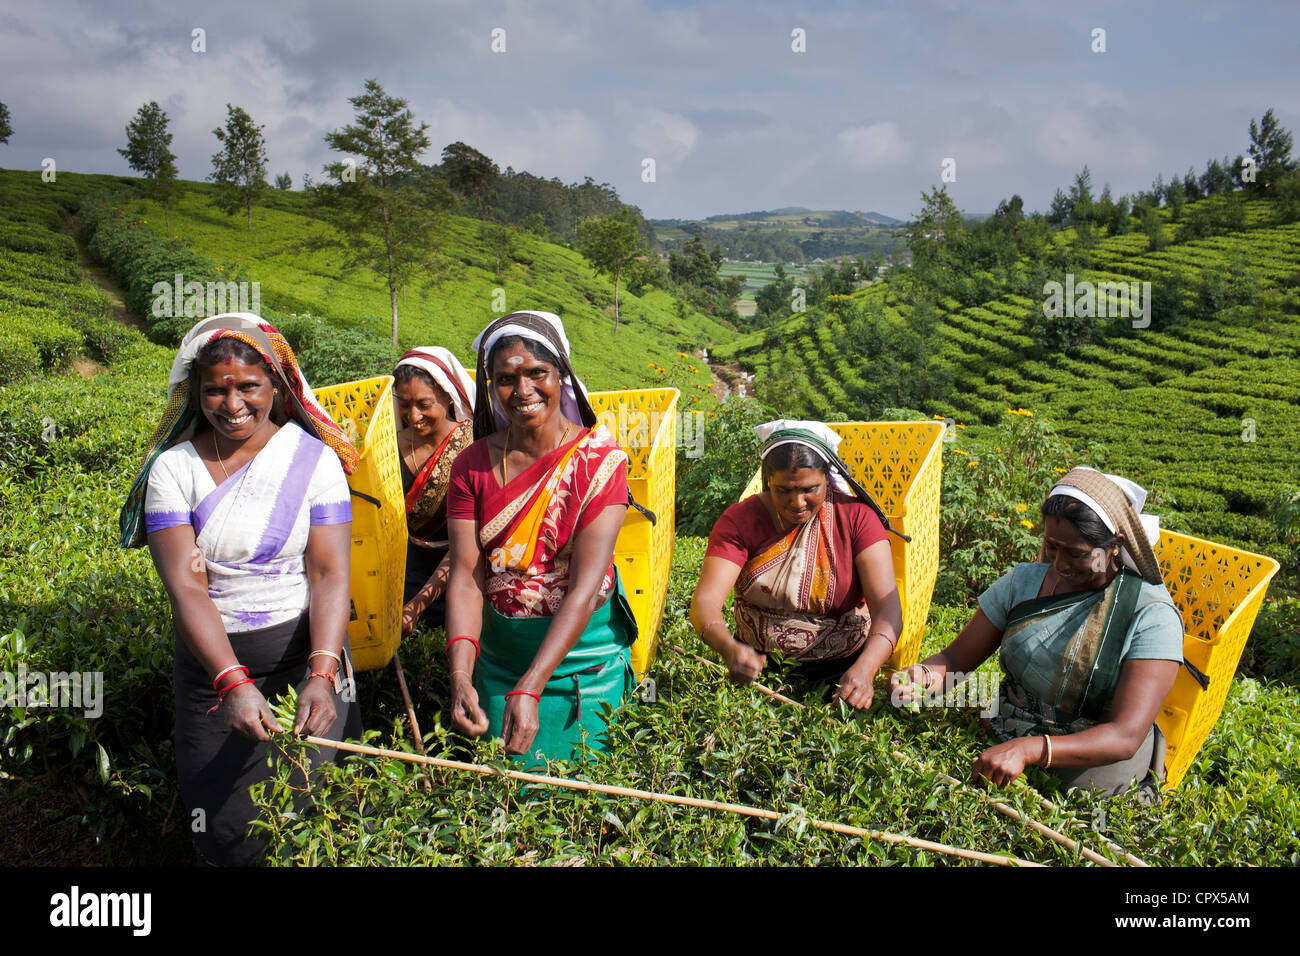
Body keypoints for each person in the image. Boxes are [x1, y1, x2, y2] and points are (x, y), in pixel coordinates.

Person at [119, 313, 363, 865]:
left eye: (248, 387)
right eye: (214, 390)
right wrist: (231, 684)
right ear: (195, 393)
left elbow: (328, 573)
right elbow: (187, 587)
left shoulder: (314, 461)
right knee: (228, 825)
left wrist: (323, 676)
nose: (232, 405)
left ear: (275, 387)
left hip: (310, 659)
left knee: (323, 811)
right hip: (214, 671)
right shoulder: (173, 470)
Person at [889, 467, 1184, 799]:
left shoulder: (1150, 615)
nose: (1059, 563)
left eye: (1078, 553)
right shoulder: (1024, 582)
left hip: (1090, 777)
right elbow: (955, 659)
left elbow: (1125, 735)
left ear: (1115, 546)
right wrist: (923, 675)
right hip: (1001, 737)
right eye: (1052, 546)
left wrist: (1028, 750)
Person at [443, 310, 638, 764]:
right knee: (494, 803)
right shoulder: (470, 466)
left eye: (537, 373)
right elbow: (468, 578)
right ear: (490, 387)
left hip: (581, 673)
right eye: (506, 379)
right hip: (498, 664)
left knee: (584, 810)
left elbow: (586, 587)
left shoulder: (599, 462)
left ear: (562, 376)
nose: (523, 390)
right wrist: (460, 675)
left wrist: (531, 685)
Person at [691, 420, 904, 708]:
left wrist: (866, 669)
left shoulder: (856, 520)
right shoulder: (741, 520)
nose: (798, 502)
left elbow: (887, 610)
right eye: (784, 491)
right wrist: (728, 647)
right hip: (756, 675)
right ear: (768, 481)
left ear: (827, 478)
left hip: (841, 676)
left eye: (809, 489)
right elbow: (705, 601)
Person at [392, 347, 475, 635]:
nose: (413, 416)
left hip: (463, 573)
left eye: (424, 404)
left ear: (447, 396)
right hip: (403, 573)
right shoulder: (389, 447)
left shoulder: (471, 447)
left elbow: (468, 540)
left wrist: (417, 606)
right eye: (404, 404)